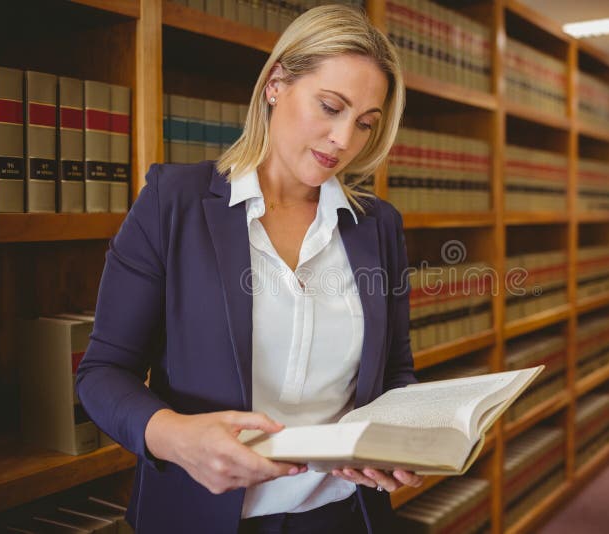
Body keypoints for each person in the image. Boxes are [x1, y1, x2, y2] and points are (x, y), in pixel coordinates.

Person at [76, 5, 422, 533]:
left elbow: (395, 371)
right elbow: (102, 373)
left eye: (365, 124)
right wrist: (174, 437)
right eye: (330, 106)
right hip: (202, 517)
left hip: (345, 516)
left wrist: (394, 439)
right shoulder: (174, 203)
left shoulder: (378, 226)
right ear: (276, 83)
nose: (344, 139)